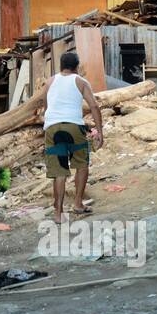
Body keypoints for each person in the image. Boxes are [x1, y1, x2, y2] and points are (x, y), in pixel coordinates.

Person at [32, 51, 104, 223]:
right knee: (81, 164)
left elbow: (47, 106)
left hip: (53, 129)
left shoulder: (50, 81)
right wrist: (99, 131)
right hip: (73, 128)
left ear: (60, 66)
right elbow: (93, 105)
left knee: (59, 171)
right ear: (76, 67)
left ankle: (58, 214)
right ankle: (78, 204)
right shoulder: (80, 81)